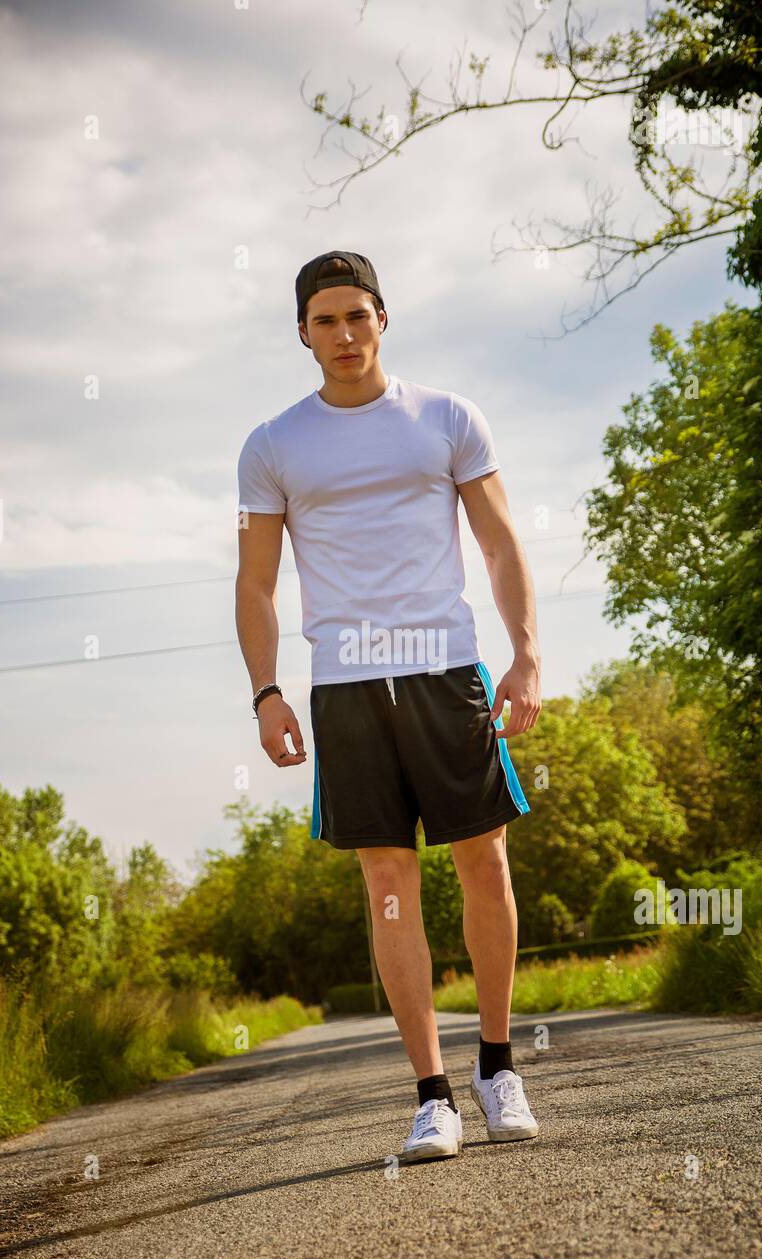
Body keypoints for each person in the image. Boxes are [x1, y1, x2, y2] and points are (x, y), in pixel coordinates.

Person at [235, 250, 542, 1163]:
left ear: (382, 318)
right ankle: (432, 1094)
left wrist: (526, 655)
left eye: (356, 316)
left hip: (448, 672)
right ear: (301, 331)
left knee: (482, 860)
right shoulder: (274, 444)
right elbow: (256, 585)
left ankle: (496, 1066)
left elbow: (498, 542)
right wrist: (266, 692)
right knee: (387, 882)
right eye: (323, 320)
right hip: (347, 687)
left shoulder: (447, 417)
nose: (342, 334)